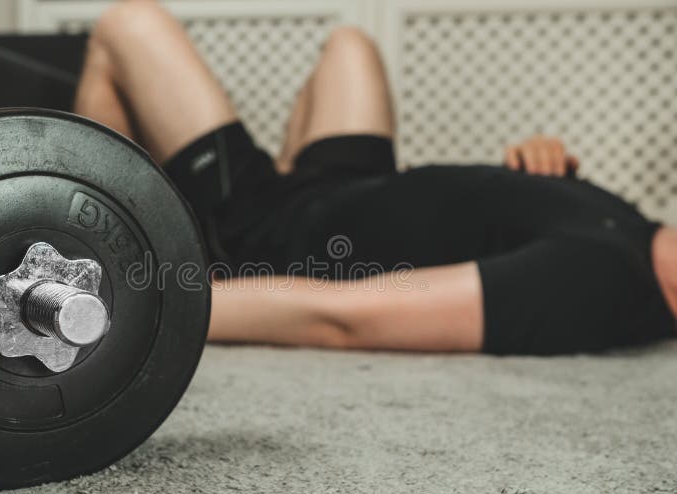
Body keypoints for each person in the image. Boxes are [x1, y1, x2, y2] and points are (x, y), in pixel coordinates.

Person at [74, 0, 677, 355]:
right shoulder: (635, 233)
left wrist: (138, 305)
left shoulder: (601, 284)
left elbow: (345, 317)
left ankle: (72, 250)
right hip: (346, 187)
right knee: (350, 44)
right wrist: (542, 172)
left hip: (274, 232)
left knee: (127, 24)